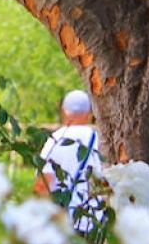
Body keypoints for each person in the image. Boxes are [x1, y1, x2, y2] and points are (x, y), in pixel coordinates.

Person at [35, 89, 103, 230]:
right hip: (91, 221)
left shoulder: (56, 139)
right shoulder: (99, 139)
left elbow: (43, 181)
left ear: (64, 111)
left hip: (60, 222)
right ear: (90, 113)